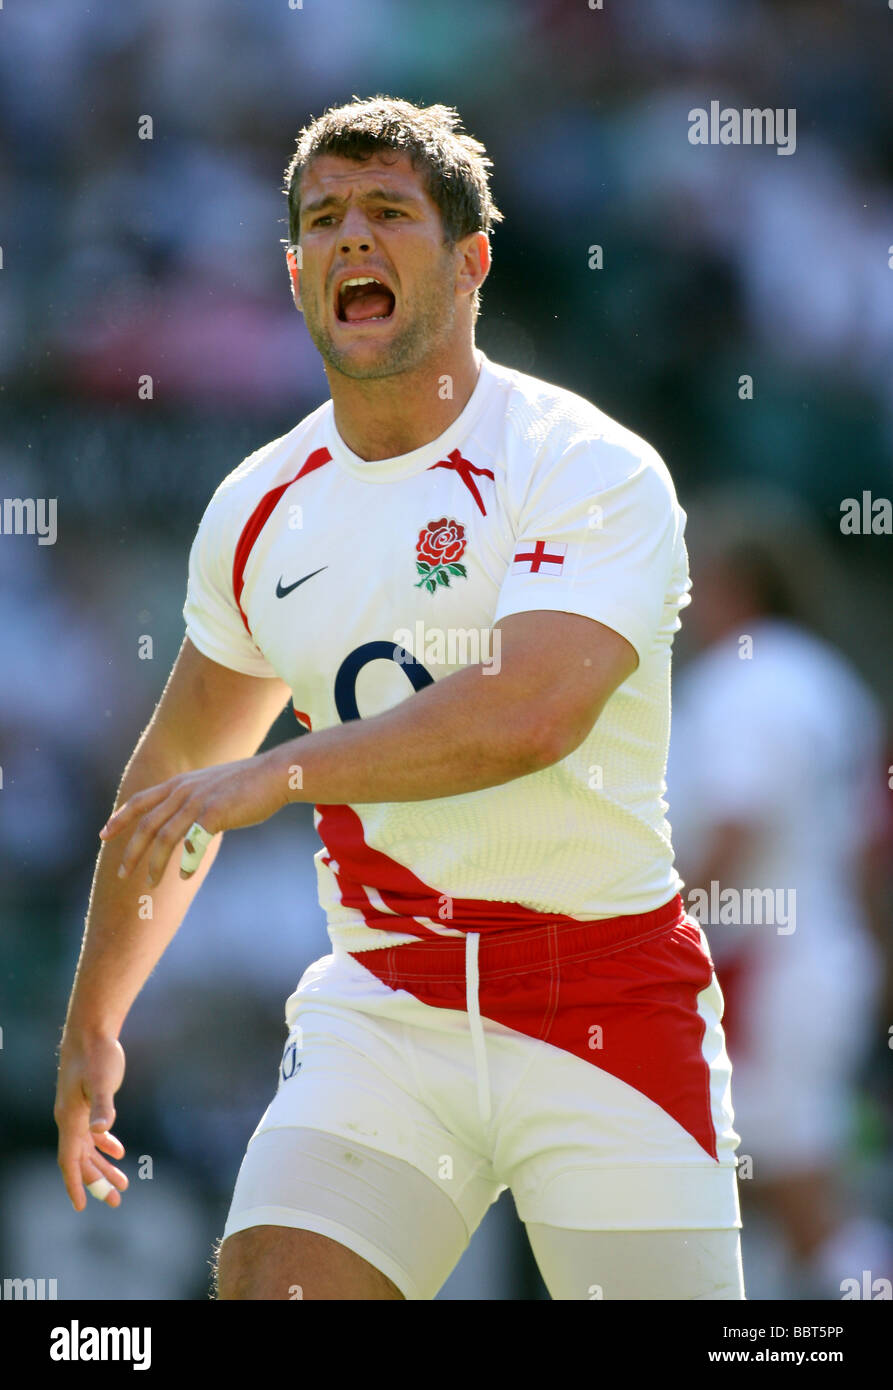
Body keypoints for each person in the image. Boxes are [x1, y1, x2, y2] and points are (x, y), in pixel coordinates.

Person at [55, 96, 743, 1301]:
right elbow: (174, 778)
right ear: (292, 270)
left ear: (472, 258)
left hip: (605, 1005)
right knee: (273, 1282)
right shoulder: (258, 504)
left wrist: (282, 772)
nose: (350, 240)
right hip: (389, 1001)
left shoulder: (584, 462)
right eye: (322, 219)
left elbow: (530, 713)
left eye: (387, 211)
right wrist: (94, 1018)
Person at [667, 488, 893, 1299]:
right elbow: (869, 848)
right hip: (824, 955)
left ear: (733, 583)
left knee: (796, 1188)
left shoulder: (747, 680)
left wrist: (651, 933)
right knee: (746, 1182)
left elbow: (733, 830)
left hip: (768, 966)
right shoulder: (829, 680)